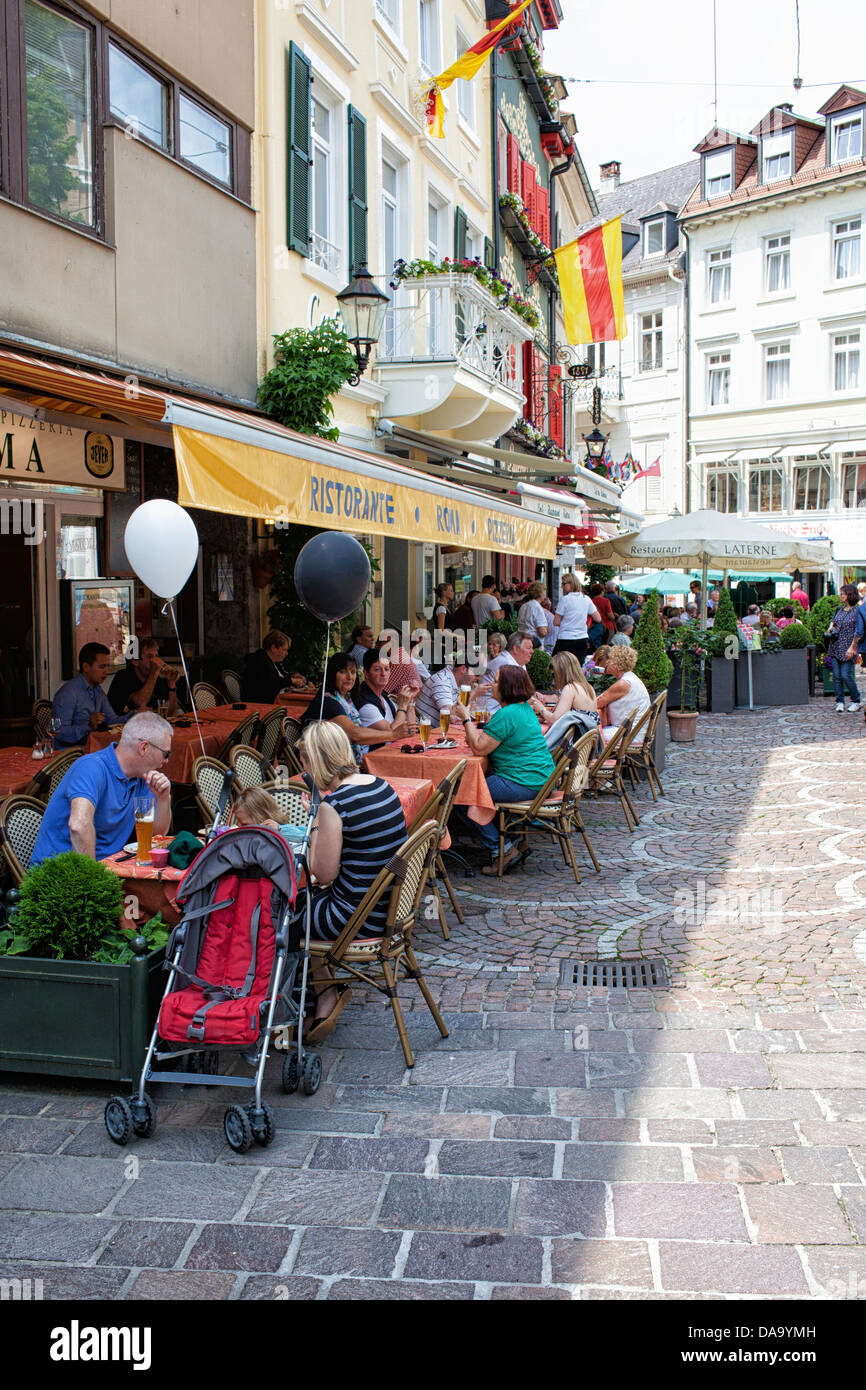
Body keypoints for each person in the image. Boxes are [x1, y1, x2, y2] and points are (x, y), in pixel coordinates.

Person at [297, 721, 407, 1028]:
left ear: (317, 761)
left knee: (286, 912)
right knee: (305, 902)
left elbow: (323, 872)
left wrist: (316, 818)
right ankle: (323, 988)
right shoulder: (380, 785)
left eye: (305, 762)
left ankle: (322, 991)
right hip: (389, 911)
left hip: (356, 918)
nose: (304, 770)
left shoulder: (335, 804)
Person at [450, 665, 556, 875]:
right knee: (473, 787)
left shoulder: (507, 714)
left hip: (523, 780)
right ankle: (514, 839)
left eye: (497, 681)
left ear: (508, 687)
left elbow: (479, 747)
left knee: (463, 795)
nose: (492, 684)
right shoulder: (523, 707)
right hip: (540, 777)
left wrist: (466, 719)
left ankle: (503, 850)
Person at [30, 711, 173, 865]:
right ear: (144, 748)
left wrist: (163, 798)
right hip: (59, 874)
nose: (166, 761)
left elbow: (157, 835)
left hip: (107, 868)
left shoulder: (141, 776)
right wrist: (93, 881)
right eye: (166, 754)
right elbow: (79, 825)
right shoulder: (91, 767)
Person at [301, 653, 407, 764]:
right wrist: (393, 735)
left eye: (353, 672)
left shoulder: (347, 699)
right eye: (343, 672)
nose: (349, 677)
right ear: (332, 674)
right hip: (324, 767)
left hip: (344, 761)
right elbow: (355, 734)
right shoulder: (328, 701)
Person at [52, 643, 131, 748]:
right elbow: (59, 733)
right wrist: (88, 726)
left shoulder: (97, 690)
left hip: (91, 748)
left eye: (108, 666)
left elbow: (111, 720)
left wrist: (135, 716)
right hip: (68, 755)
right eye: (102, 667)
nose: (106, 672)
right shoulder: (68, 693)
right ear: (86, 667)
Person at [108, 637, 181, 716]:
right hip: (124, 726)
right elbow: (140, 702)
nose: (155, 661)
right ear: (135, 661)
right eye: (150, 656)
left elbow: (170, 713)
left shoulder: (157, 679)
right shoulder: (123, 677)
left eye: (156, 656)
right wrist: (153, 674)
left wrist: (171, 686)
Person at [530, 651, 599, 731]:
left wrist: (541, 709)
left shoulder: (570, 688)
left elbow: (555, 719)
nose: (554, 679)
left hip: (574, 740)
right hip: (587, 741)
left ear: (561, 673)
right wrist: (545, 715)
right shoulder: (588, 687)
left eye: (554, 674)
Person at [596, 646, 651, 744]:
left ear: (618, 663)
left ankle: (596, 759)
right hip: (636, 732)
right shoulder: (630, 678)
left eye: (610, 659)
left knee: (588, 735)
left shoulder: (623, 684)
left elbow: (597, 703)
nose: (607, 662)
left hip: (629, 735)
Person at [356, 649, 417, 732]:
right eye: (377, 669)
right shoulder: (365, 702)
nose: (383, 674)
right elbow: (392, 733)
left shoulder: (383, 695)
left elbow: (411, 730)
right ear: (366, 673)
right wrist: (402, 706)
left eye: (387, 669)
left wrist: (409, 701)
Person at [475, 630, 534, 712]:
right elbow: (519, 696)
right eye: (528, 648)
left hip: (502, 709)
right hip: (489, 712)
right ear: (516, 649)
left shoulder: (520, 662)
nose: (532, 651)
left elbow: (526, 691)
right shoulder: (506, 662)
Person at [827, 584, 863, 712]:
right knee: (837, 676)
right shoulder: (839, 610)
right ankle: (840, 702)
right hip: (835, 646)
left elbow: (859, 630)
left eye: (843, 594)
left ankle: (856, 700)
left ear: (850, 595)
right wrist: (830, 629)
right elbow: (833, 623)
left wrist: (853, 647)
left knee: (846, 675)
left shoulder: (857, 611)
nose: (840, 596)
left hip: (849, 647)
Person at [553, 577, 601, 662]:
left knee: (558, 666)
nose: (562, 587)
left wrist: (568, 621)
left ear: (571, 584)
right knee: (577, 667)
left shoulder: (565, 599)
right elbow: (598, 618)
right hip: (582, 638)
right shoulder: (586, 599)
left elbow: (556, 622)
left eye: (564, 584)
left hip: (566, 638)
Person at [415, 657, 475, 725]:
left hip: (440, 730)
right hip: (426, 731)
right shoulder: (442, 681)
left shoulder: (456, 681)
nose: (478, 677)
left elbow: (461, 714)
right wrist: (474, 694)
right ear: (463, 669)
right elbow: (450, 716)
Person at [242, 630, 292, 703]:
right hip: (261, 704)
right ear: (273, 648)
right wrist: (292, 681)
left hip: (276, 701)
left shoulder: (274, 662)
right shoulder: (258, 661)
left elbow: (282, 678)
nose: (286, 653)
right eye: (284, 650)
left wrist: (293, 677)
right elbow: (272, 683)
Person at [517, 581, 550, 646]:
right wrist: (546, 630)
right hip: (533, 643)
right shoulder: (537, 607)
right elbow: (542, 632)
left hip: (521, 641)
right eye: (544, 591)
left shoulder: (523, 606)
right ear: (540, 593)